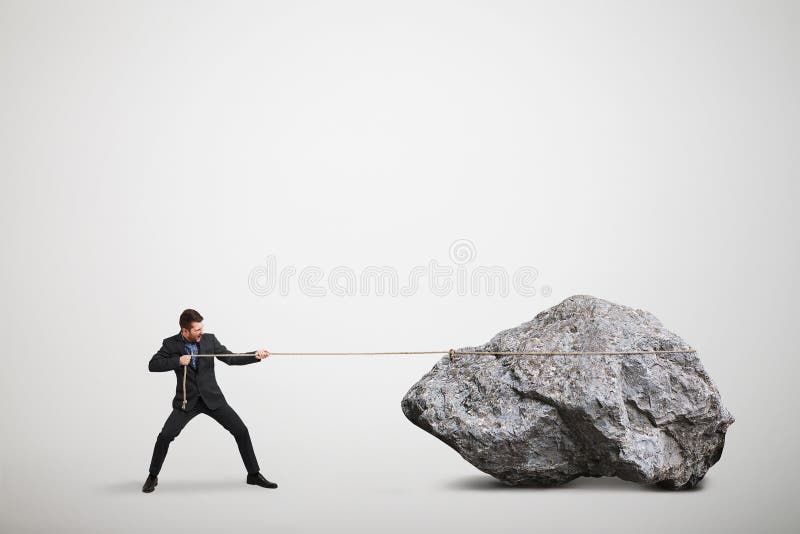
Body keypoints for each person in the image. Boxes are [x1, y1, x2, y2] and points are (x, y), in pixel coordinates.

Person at [142, 308, 277, 493]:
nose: (201, 332)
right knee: (165, 436)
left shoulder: (209, 339)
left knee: (241, 430)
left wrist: (255, 355)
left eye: (202, 328)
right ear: (185, 331)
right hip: (186, 402)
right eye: (197, 329)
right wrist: (177, 361)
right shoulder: (170, 344)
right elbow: (153, 365)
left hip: (212, 399)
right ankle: (152, 476)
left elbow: (230, 358)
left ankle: (253, 474)